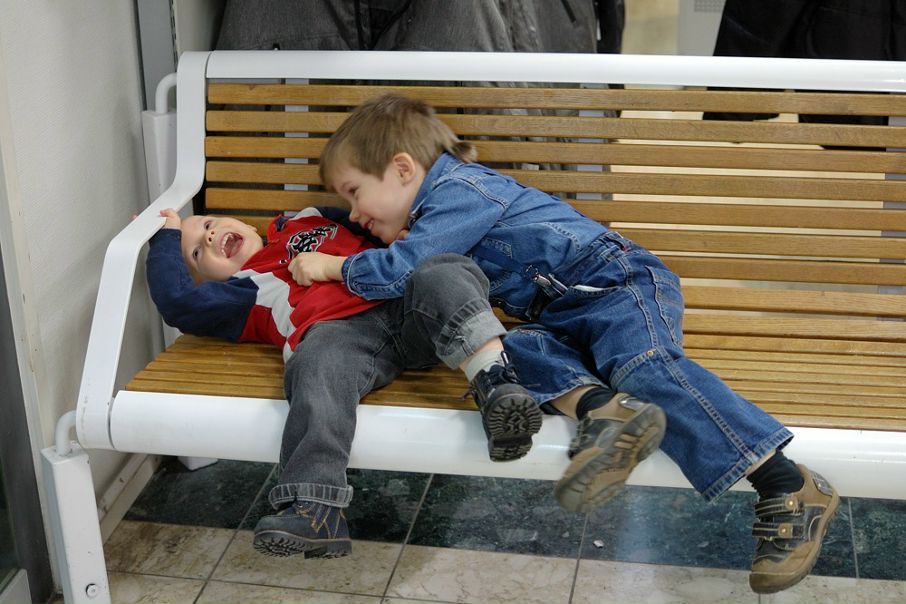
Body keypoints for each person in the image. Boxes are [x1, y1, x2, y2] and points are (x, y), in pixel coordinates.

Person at [292, 93, 840, 594]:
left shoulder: (461, 189)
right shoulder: (433, 212)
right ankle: (605, 414)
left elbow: (404, 270)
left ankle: (786, 484)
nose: (356, 213)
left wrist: (333, 266)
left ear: (403, 169)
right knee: (513, 352)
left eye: (354, 193)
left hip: (616, 284)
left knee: (643, 367)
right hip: (560, 315)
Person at [144, 206, 542, 559]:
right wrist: (167, 236)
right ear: (206, 281)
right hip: (341, 335)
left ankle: (495, 383)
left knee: (445, 269)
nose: (209, 236)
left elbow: (369, 217)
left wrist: (402, 233)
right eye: (196, 253)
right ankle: (315, 509)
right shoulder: (239, 292)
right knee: (313, 362)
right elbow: (178, 303)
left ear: (245, 224)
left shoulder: (307, 218)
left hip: (406, 297)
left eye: (208, 224)